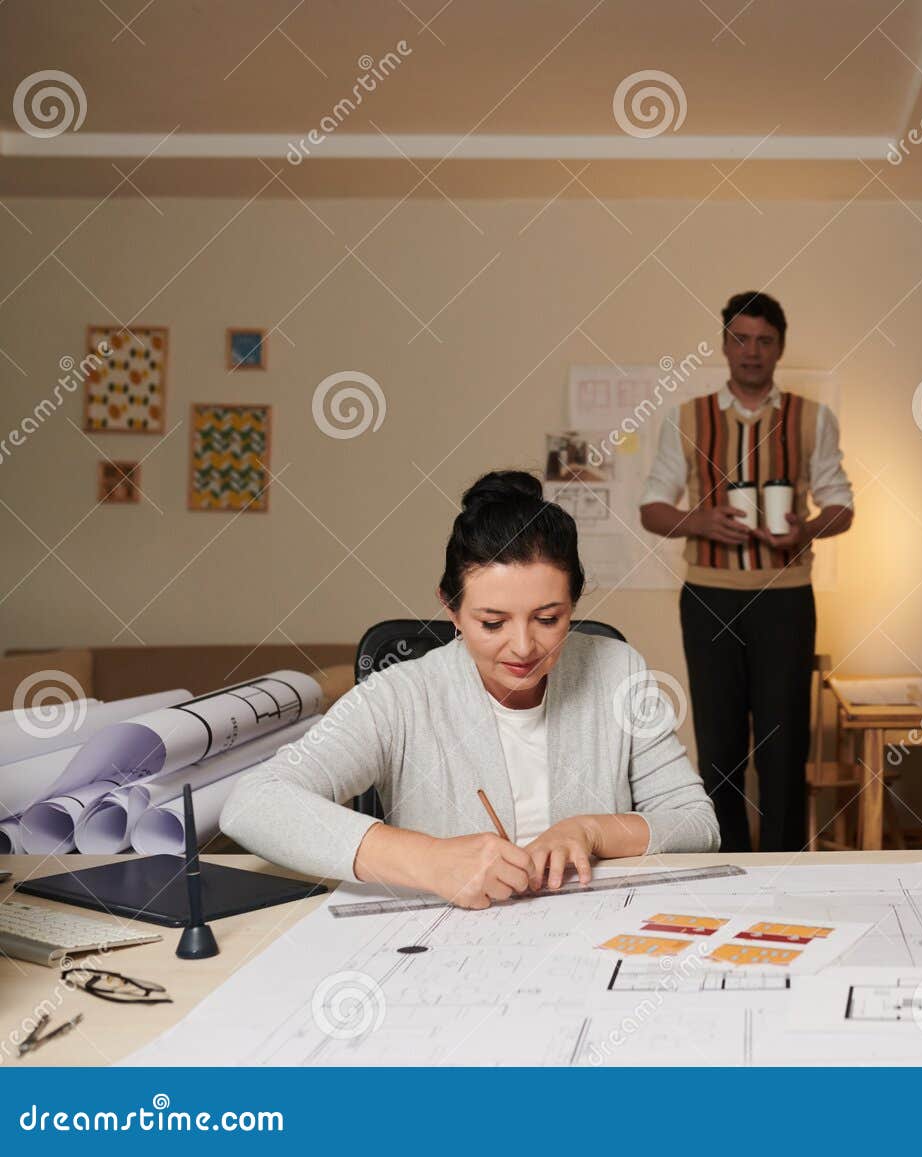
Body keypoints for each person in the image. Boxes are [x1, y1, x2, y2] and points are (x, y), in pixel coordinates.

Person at [221, 470, 719, 908]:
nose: (523, 647)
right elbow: (253, 804)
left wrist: (590, 831)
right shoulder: (400, 697)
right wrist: (430, 861)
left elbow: (698, 824)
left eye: (549, 618)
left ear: (574, 602)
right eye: (492, 622)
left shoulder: (618, 671)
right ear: (451, 608)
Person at [639, 291, 854, 852]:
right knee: (719, 743)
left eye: (764, 340)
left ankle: (786, 865)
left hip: (786, 599)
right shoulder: (687, 417)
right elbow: (652, 508)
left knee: (785, 743)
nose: (751, 351)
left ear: (780, 348)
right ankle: (730, 864)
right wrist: (702, 521)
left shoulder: (813, 417)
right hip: (710, 597)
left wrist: (804, 529)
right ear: (724, 345)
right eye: (741, 338)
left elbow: (841, 505)